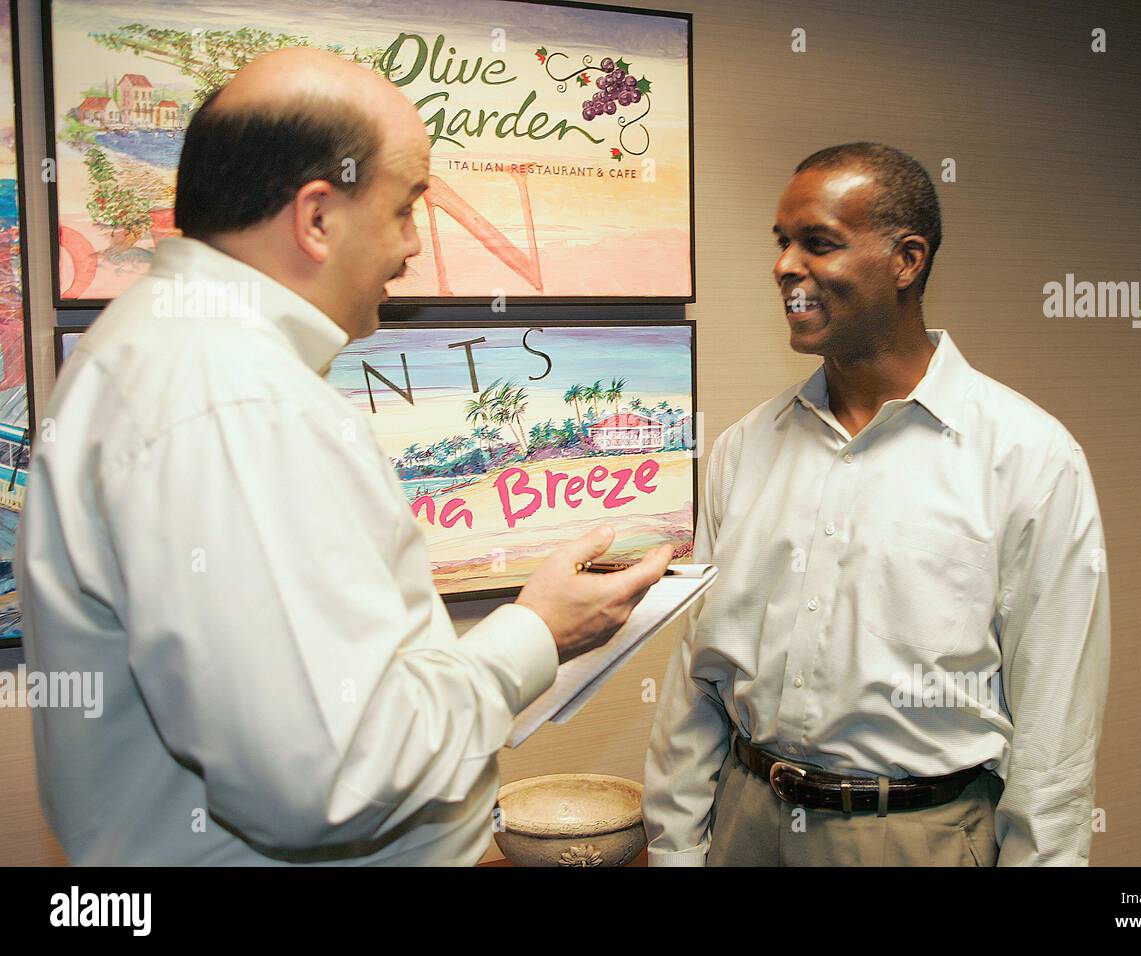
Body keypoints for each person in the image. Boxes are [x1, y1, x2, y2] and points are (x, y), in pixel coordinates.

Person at [18, 48, 671, 865]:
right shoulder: (230, 398)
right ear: (317, 218)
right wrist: (537, 634)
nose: (412, 248)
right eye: (405, 208)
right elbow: (328, 774)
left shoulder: (166, 349)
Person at [643, 142, 1110, 866]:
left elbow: (1054, 733)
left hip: (913, 837)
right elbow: (699, 672)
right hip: (747, 820)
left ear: (907, 260)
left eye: (819, 243)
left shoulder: (1028, 459)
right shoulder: (744, 449)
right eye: (783, 243)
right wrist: (675, 850)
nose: (785, 266)